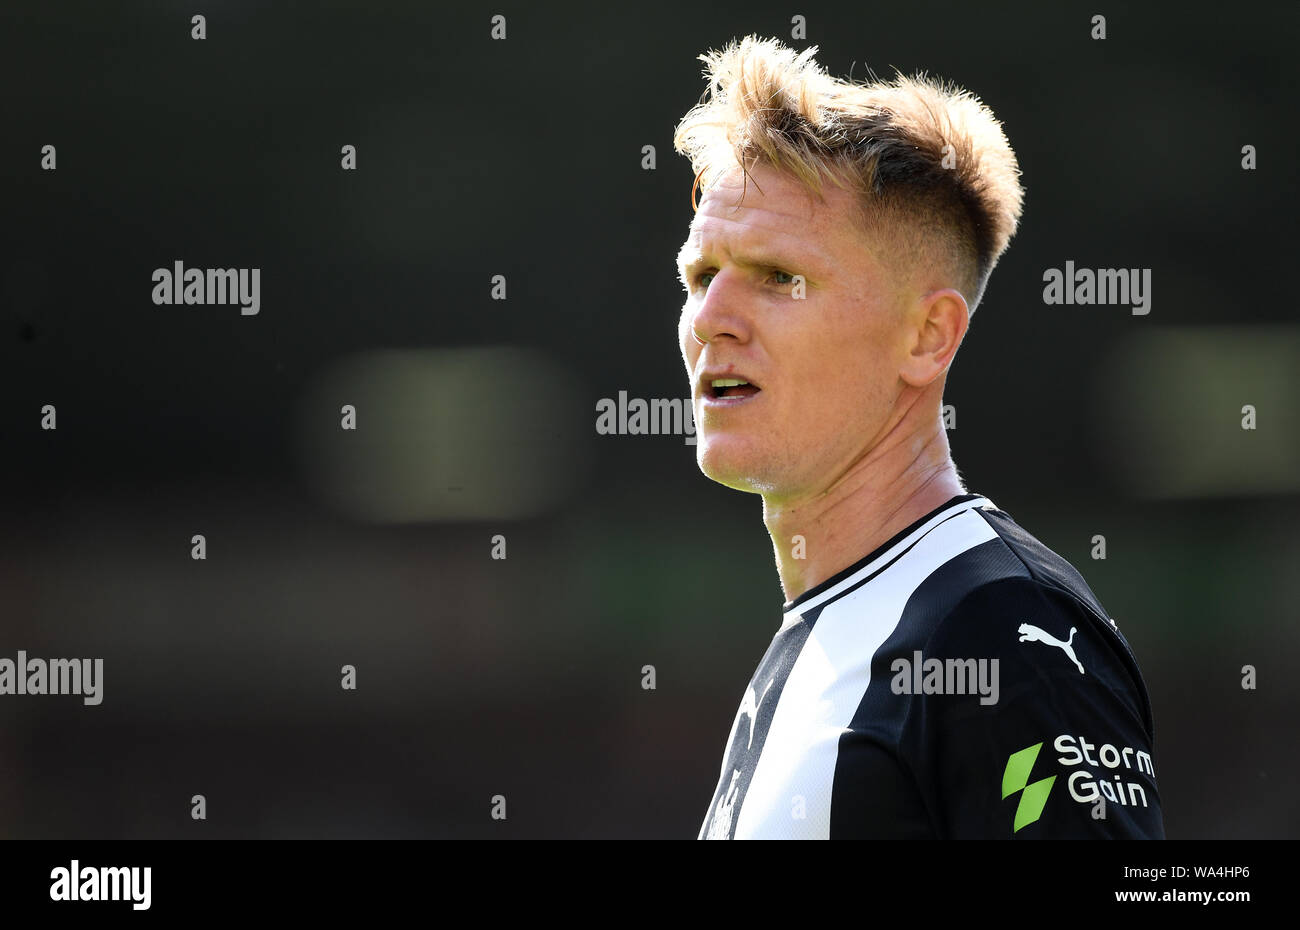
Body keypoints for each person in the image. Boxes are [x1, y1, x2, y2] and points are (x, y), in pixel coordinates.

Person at [673, 35, 1164, 839]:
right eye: (700, 277)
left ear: (929, 337)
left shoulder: (1004, 632)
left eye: (778, 278)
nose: (713, 320)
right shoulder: (816, 640)